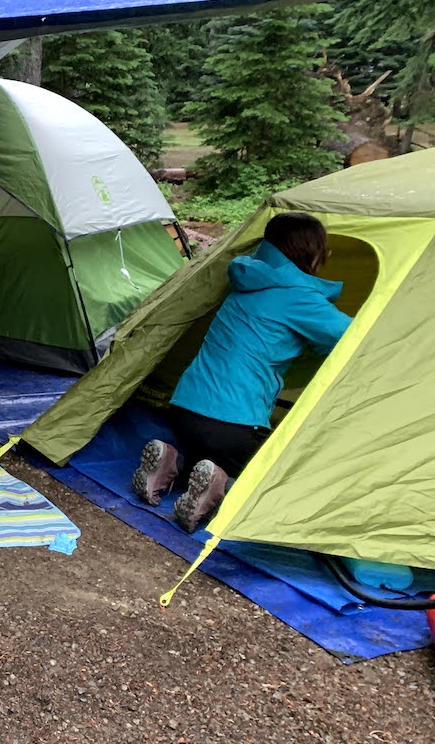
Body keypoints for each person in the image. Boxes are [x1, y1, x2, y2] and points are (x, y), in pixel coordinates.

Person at [131, 212, 353, 532]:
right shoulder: (301, 297)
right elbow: (359, 337)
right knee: (271, 479)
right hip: (234, 424)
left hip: (184, 411)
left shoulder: (248, 279)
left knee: (209, 460)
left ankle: (173, 461)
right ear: (314, 253)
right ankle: (221, 489)